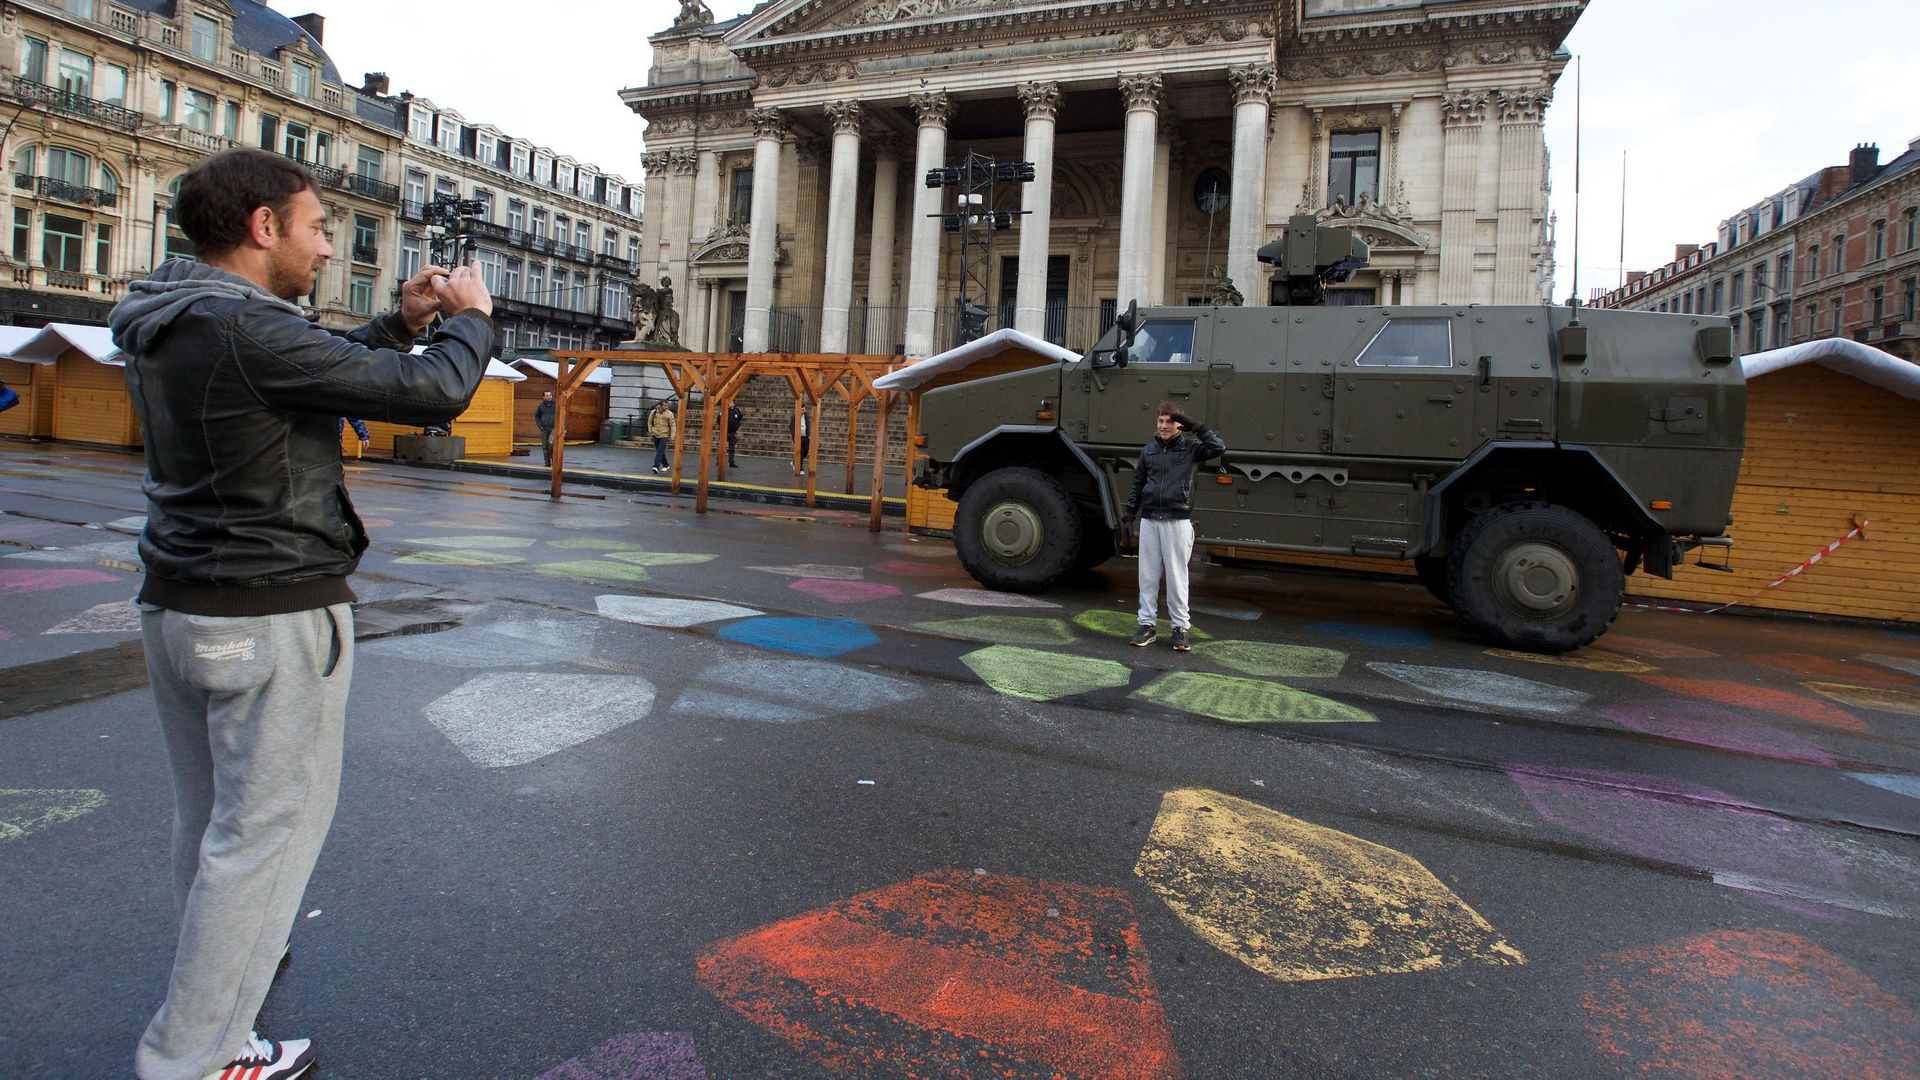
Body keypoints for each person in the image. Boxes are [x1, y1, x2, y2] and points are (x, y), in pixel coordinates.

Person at [108, 147, 494, 1080]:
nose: (329, 246)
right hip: (269, 609)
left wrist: (397, 323)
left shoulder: (176, 317)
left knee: (212, 824)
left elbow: (304, 375)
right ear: (263, 227)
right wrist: (471, 321)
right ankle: (197, 1056)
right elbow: (433, 395)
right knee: (265, 836)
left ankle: (231, 968)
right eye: (321, 227)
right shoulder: (243, 326)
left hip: (179, 605)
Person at [1120, 401, 1226, 652]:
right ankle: (1147, 625)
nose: (1164, 426)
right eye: (1161, 421)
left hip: (1177, 520)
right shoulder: (1148, 451)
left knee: (1177, 577)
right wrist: (1128, 514)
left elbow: (1218, 447)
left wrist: (1196, 426)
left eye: (1170, 421)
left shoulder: (1191, 449)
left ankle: (1180, 628)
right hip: (1150, 520)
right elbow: (1138, 484)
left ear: (1180, 424)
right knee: (1147, 576)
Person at [648, 398, 675, 474]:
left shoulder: (669, 414)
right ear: (660, 405)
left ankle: (655, 466)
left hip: (664, 435)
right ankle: (666, 465)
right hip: (655, 434)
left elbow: (673, 426)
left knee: (660, 451)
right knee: (660, 451)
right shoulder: (653, 412)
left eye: (667, 406)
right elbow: (649, 422)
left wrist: (672, 436)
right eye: (665, 406)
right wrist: (651, 431)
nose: (666, 407)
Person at [534, 389, 556, 465]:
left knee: (551, 444)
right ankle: (547, 462)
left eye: (550, 395)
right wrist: (540, 426)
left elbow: (563, 415)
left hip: (554, 428)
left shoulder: (556, 404)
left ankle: (554, 461)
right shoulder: (540, 406)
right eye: (547, 396)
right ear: (543, 397)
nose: (549, 397)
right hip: (544, 429)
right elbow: (537, 417)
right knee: (545, 445)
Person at [726, 401, 744, 468]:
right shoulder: (724, 410)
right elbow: (718, 420)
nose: (729, 404)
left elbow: (740, 418)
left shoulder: (736, 411)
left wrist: (737, 426)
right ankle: (719, 460)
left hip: (732, 432)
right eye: (729, 403)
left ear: (733, 404)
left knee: (732, 448)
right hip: (724, 432)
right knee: (721, 447)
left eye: (730, 403)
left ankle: (731, 462)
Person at [795, 406, 810, 477]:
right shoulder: (795, 416)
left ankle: (795, 462)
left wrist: (808, 434)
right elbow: (792, 426)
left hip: (805, 437)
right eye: (801, 410)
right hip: (798, 437)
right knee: (800, 453)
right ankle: (800, 469)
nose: (803, 411)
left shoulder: (806, 416)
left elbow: (808, 425)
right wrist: (794, 436)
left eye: (804, 410)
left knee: (805, 452)